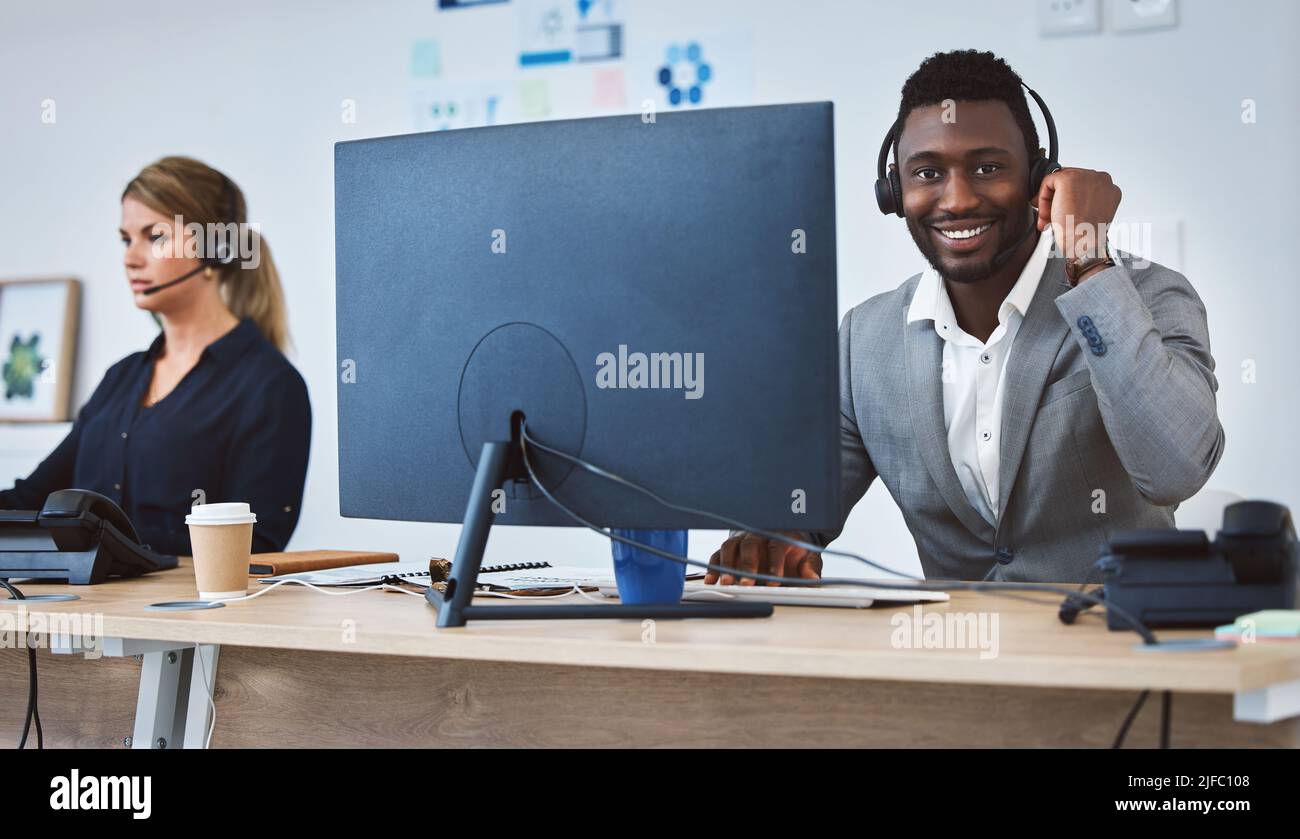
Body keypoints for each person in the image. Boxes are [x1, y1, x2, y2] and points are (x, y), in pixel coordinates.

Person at [709, 50, 1223, 585]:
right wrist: (768, 539)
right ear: (895, 192)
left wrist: (1087, 254)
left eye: (988, 167)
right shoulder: (866, 339)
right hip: (954, 659)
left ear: (1040, 178)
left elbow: (1175, 470)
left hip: (1118, 650)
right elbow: (799, 512)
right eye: (928, 173)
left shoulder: (1143, 294)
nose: (956, 200)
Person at [0, 156, 311, 555]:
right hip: (92, 608)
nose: (131, 258)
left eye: (155, 236)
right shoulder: (121, 378)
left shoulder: (269, 385)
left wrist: (112, 547)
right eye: (126, 239)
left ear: (216, 247)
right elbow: (32, 499)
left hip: (186, 616)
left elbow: (258, 541)